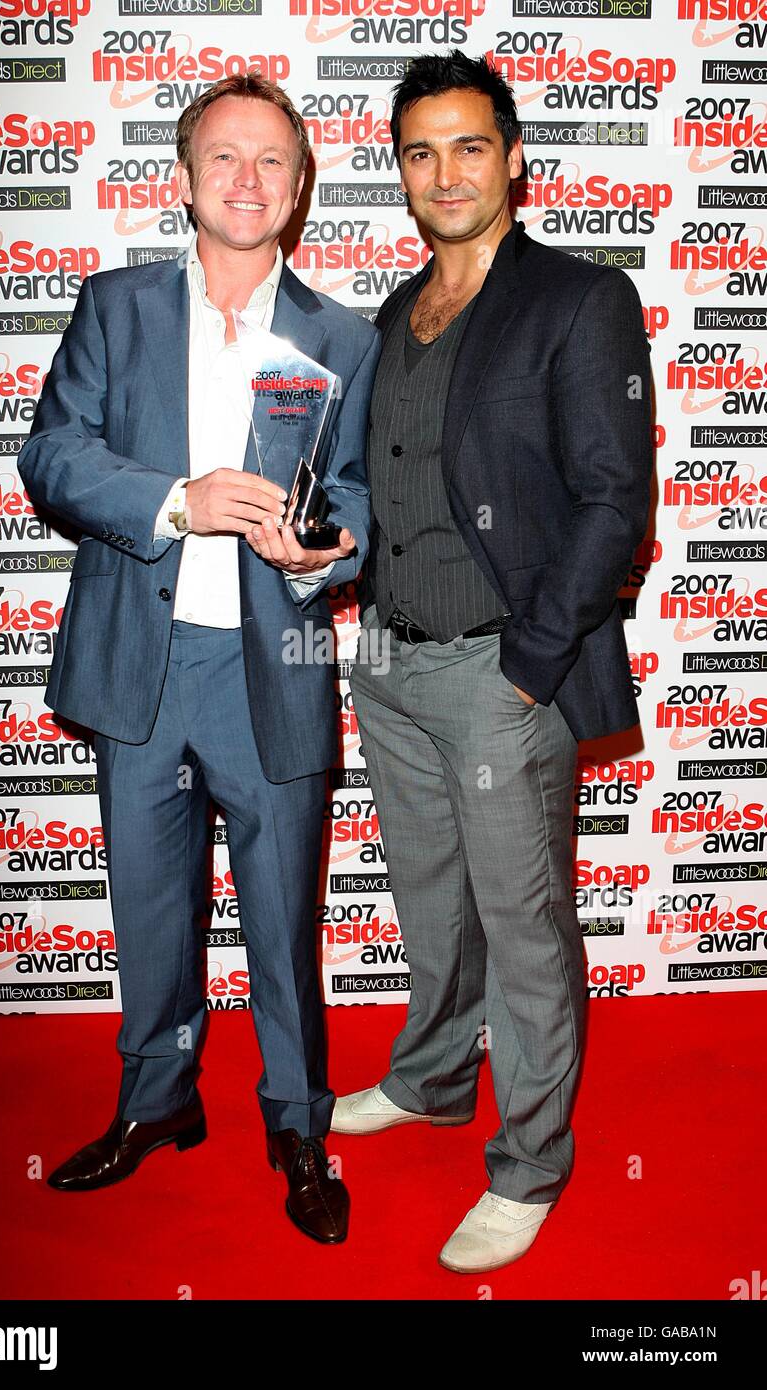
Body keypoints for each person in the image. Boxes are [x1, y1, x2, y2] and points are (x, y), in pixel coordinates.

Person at [17, 72, 380, 1245]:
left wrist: (325, 547)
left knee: (283, 924)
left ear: (300, 184)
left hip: (268, 665)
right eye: (223, 157)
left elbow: (362, 497)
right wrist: (177, 499)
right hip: (143, 665)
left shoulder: (342, 337)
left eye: (271, 160)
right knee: (151, 912)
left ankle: (297, 1126)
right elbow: (53, 455)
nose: (247, 180)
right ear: (183, 179)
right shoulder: (117, 308)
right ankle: (157, 1103)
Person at [332, 49, 653, 1272]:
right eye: (421, 150)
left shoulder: (578, 299)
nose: (446, 171)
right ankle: (430, 1080)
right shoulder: (388, 317)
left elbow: (614, 500)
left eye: (471, 145)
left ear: (515, 158)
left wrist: (530, 661)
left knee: (523, 925)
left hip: (501, 672)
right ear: (401, 172)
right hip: (393, 666)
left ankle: (529, 1163)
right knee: (431, 905)